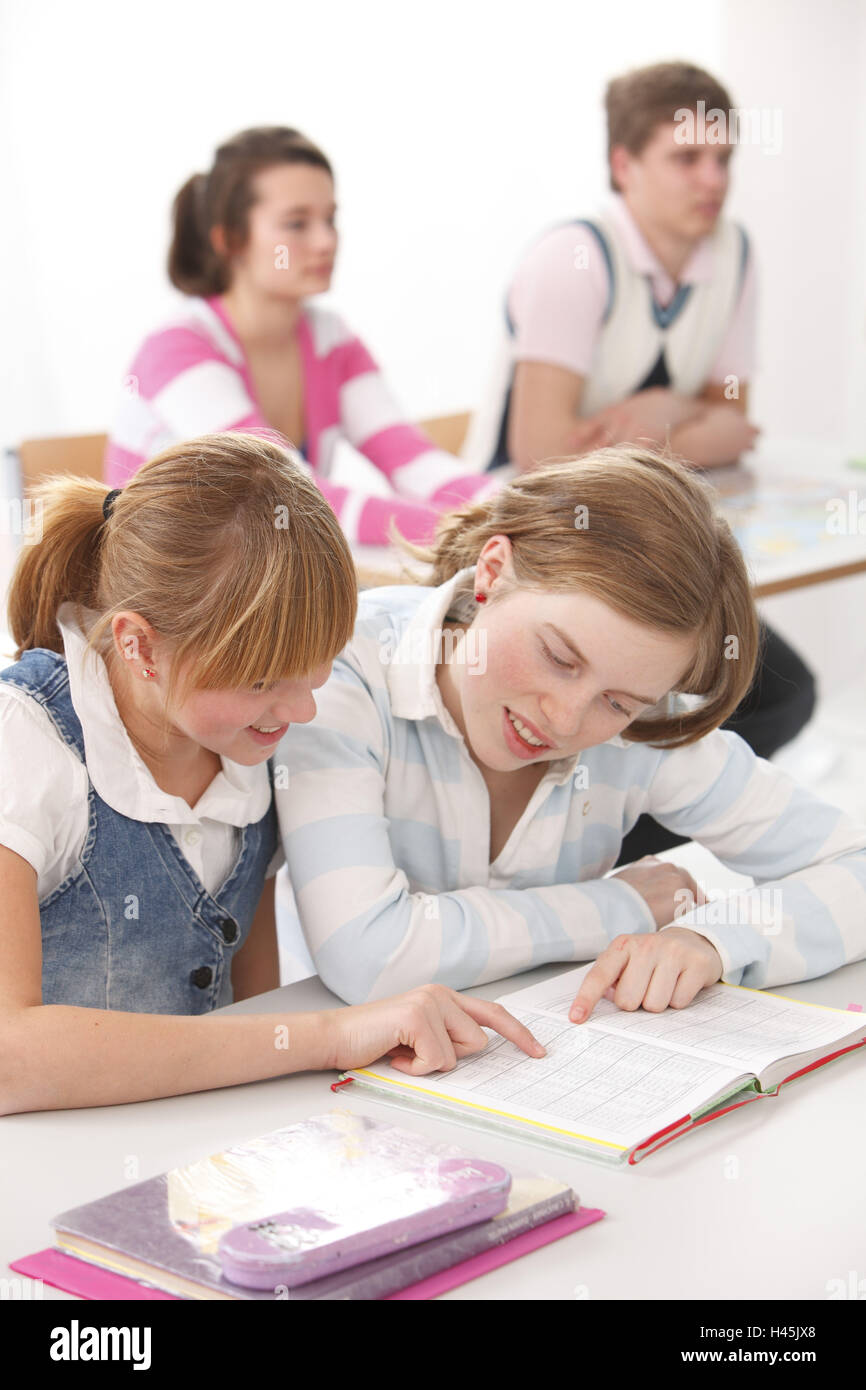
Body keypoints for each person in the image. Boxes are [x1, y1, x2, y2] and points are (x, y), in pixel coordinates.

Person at [0, 433, 542, 1116]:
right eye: (261, 680)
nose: (302, 708)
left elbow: (257, 1005)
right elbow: (8, 1057)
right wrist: (325, 1037)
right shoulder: (25, 742)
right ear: (139, 645)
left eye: (314, 670)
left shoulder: (245, 741)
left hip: (198, 1132)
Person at [273, 448, 866, 1022]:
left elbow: (854, 865)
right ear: (492, 571)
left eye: (616, 702)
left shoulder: (641, 718)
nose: (564, 720)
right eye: (558, 657)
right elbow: (368, 955)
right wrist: (623, 907)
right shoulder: (338, 672)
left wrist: (716, 941)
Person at [468, 60, 814, 857]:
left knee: (774, 696)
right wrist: (683, 426)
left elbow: (736, 425)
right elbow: (543, 454)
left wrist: (651, 422)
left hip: (644, 542)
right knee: (646, 701)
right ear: (624, 165)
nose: (712, 179)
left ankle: (610, 853)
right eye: (686, 158)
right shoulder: (574, 259)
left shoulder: (734, 256)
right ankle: (586, 862)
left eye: (724, 158)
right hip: (547, 545)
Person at [104, 126, 498, 546]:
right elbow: (291, 500)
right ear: (230, 240)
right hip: (176, 593)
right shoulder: (176, 349)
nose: (326, 241)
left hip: (262, 574)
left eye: (330, 219)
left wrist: (515, 510)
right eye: (297, 224)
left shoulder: (331, 340)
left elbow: (412, 460)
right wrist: (461, 529)